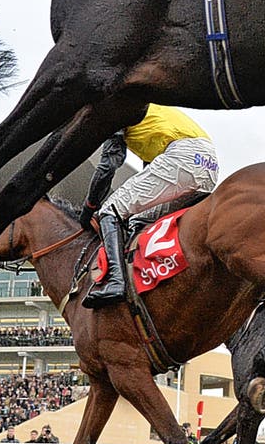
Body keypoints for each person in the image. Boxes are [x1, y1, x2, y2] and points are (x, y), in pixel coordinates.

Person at [81, 104, 218, 308]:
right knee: (138, 218)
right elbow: (150, 172)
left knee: (109, 211)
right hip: (210, 166)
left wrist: (89, 207)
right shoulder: (152, 116)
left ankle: (117, 282)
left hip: (182, 158)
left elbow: (108, 166)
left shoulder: (114, 110)